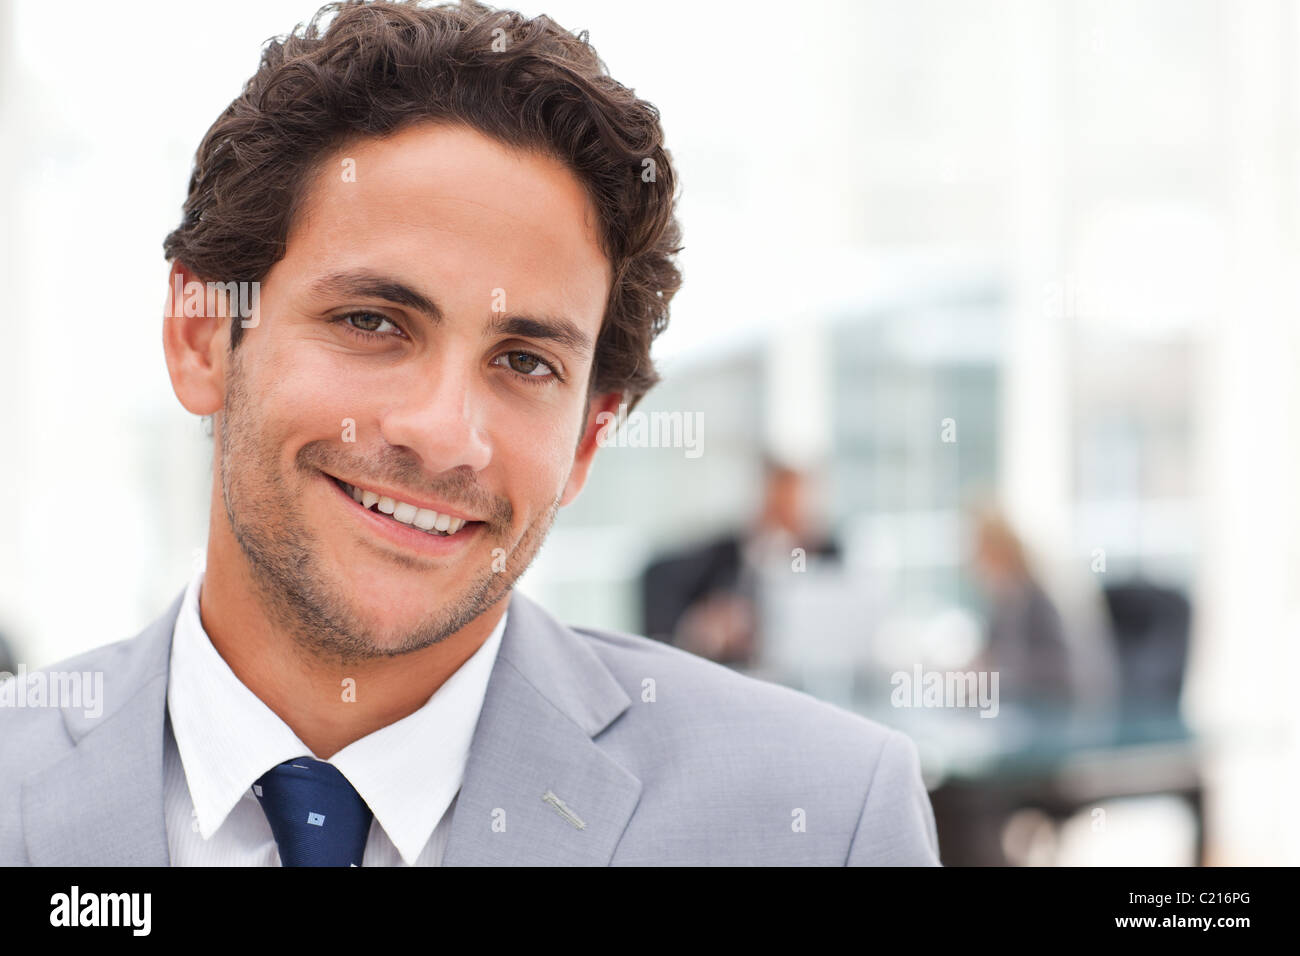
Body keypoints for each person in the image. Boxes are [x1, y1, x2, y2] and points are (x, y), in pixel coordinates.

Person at [0, 0, 938, 866]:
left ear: (586, 441)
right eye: (372, 321)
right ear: (204, 335)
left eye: (526, 362)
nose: (446, 436)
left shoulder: (819, 821)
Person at [641, 458, 840, 666]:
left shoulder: (830, 554)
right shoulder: (726, 553)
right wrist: (702, 629)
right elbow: (665, 589)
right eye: (780, 496)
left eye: (798, 498)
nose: (789, 508)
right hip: (741, 668)